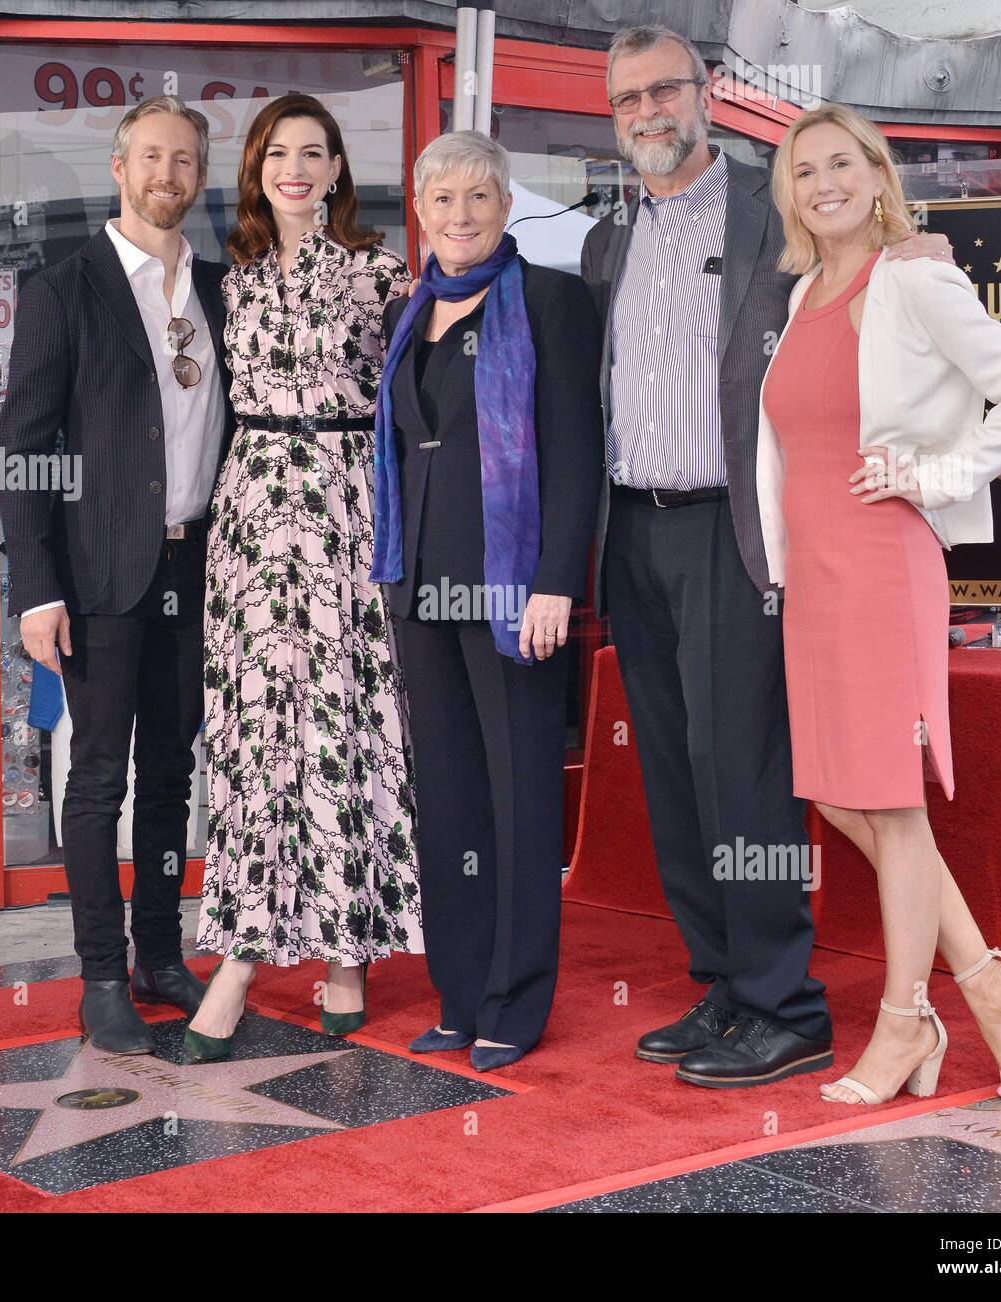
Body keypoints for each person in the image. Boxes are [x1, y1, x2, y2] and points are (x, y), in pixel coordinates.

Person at [580, 25, 955, 1089]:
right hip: (632, 530)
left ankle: (787, 1005)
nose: (647, 112)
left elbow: (858, 256)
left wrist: (918, 246)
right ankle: (725, 986)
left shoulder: (767, 208)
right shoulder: (611, 239)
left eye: (664, 91)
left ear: (703, 93)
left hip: (732, 529)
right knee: (671, 770)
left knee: (741, 769)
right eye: (627, 101)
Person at [758, 103, 1001, 1104]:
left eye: (840, 164)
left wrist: (936, 475)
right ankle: (984, 975)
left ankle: (905, 1024)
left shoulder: (915, 279)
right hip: (812, 580)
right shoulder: (805, 288)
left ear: (878, 174)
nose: (823, 185)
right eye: (803, 172)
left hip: (883, 566)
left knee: (888, 803)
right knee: (843, 795)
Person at [184, 95, 421, 1062]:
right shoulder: (226, 281)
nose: (294, 168)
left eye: (311, 153)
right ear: (256, 167)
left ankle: (348, 947)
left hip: (341, 514)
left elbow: (447, 362)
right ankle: (241, 950)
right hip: (248, 519)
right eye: (277, 152)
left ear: (335, 170)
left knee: (345, 727)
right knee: (251, 731)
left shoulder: (380, 272)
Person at [0, 96, 233, 1052]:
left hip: (199, 565)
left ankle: (160, 954)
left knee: (175, 776)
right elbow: (25, 451)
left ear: (199, 177)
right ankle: (101, 974)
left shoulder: (224, 289)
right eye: (150, 157)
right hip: (97, 578)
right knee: (96, 780)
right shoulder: (65, 288)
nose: (166, 174)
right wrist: (36, 591)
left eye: (183, 160)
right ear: (118, 166)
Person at [373, 130, 602, 1073]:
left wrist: (555, 580)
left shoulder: (551, 301)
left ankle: (515, 998)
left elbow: (576, 451)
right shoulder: (409, 311)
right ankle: (460, 995)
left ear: (506, 207)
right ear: (419, 213)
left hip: (516, 593)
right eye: (441, 201)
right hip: (421, 589)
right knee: (452, 802)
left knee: (517, 799)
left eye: (477, 197)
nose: (459, 216)